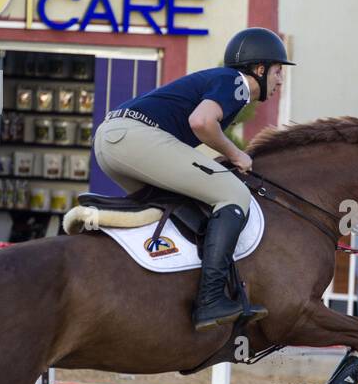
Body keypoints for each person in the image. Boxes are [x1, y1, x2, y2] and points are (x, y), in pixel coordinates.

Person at [93, 27, 292, 330]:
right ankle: (211, 299)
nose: (281, 79)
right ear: (259, 69)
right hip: (133, 139)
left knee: (183, 206)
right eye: (278, 71)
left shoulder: (221, 83)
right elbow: (201, 122)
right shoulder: (234, 82)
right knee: (234, 194)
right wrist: (236, 154)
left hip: (113, 142)